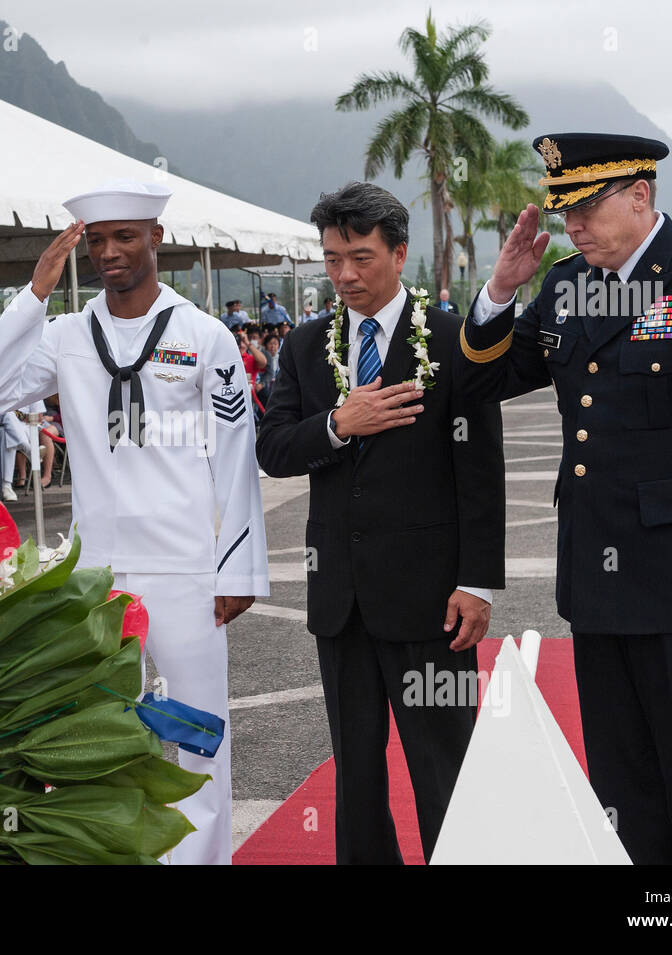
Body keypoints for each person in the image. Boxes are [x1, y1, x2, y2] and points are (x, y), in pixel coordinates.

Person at [457, 133, 672, 865]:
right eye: (564, 210)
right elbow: (486, 379)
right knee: (622, 792)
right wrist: (501, 290)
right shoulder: (565, 284)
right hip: (598, 586)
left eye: (586, 206)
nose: (572, 225)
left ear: (640, 195)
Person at [0, 180, 270, 865]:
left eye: (125, 237)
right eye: (97, 241)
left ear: (156, 239)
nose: (110, 252)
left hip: (189, 568)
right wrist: (35, 292)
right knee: (103, 732)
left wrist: (239, 566)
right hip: (98, 571)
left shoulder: (206, 335)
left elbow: (234, 458)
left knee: (200, 734)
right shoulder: (65, 336)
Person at [256, 181, 505, 865]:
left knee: (444, 767)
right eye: (333, 259)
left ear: (400, 254)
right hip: (339, 600)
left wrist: (478, 581)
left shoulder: (453, 341)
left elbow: (482, 471)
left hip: (432, 603)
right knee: (356, 775)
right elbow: (272, 448)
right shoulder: (309, 347)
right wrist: (339, 423)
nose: (345, 275)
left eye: (361, 257)